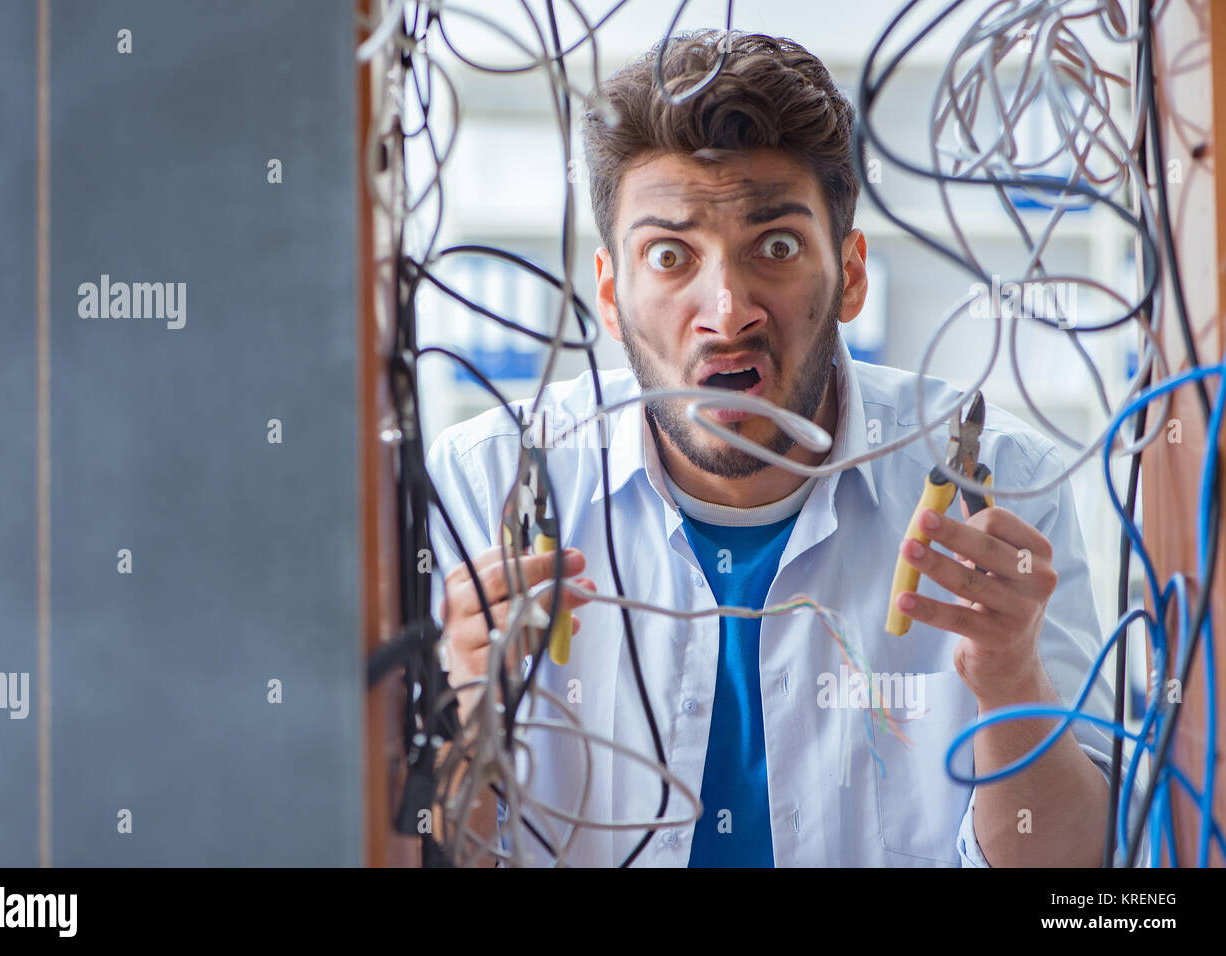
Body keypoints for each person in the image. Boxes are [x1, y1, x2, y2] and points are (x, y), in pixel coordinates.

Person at [426, 30, 1143, 867]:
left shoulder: (999, 484)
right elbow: (422, 848)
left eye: (775, 246)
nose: (727, 309)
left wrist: (1013, 678)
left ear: (850, 271)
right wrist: (465, 713)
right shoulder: (482, 487)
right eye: (670, 255)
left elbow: (1081, 891)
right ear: (613, 298)